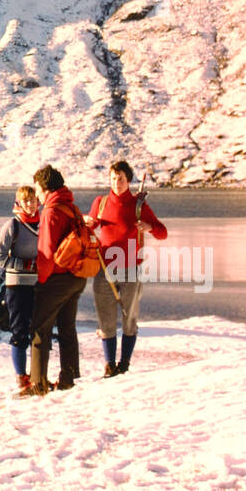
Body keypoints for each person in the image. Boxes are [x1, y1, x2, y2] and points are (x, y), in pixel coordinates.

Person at [85, 160, 167, 377]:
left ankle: (125, 363)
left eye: (120, 178)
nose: (116, 182)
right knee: (106, 318)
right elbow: (91, 225)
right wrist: (86, 223)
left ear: (128, 180)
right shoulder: (101, 203)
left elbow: (162, 232)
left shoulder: (138, 206)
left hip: (131, 269)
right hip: (105, 269)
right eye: (113, 178)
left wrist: (149, 227)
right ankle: (109, 364)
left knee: (129, 318)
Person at [23, 165, 86, 397]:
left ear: (46, 188)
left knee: (40, 329)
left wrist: (41, 280)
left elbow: (46, 252)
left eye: (38, 189)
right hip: (77, 277)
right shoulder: (72, 207)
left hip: (57, 279)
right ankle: (68, 377)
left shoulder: (50, 212)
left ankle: (37, 383)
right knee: (67, 328)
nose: (37, 195)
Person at [0, 186, 40, 395]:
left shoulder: (43, 224)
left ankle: (37, 375)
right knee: (19, 332)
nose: (30, 204)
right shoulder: (13, 225)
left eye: (33, 200)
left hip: (38, 285)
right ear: (19, 202)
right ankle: (21, 377)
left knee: (38, 330)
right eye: (25, 201)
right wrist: (24, 265)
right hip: (17, 286)